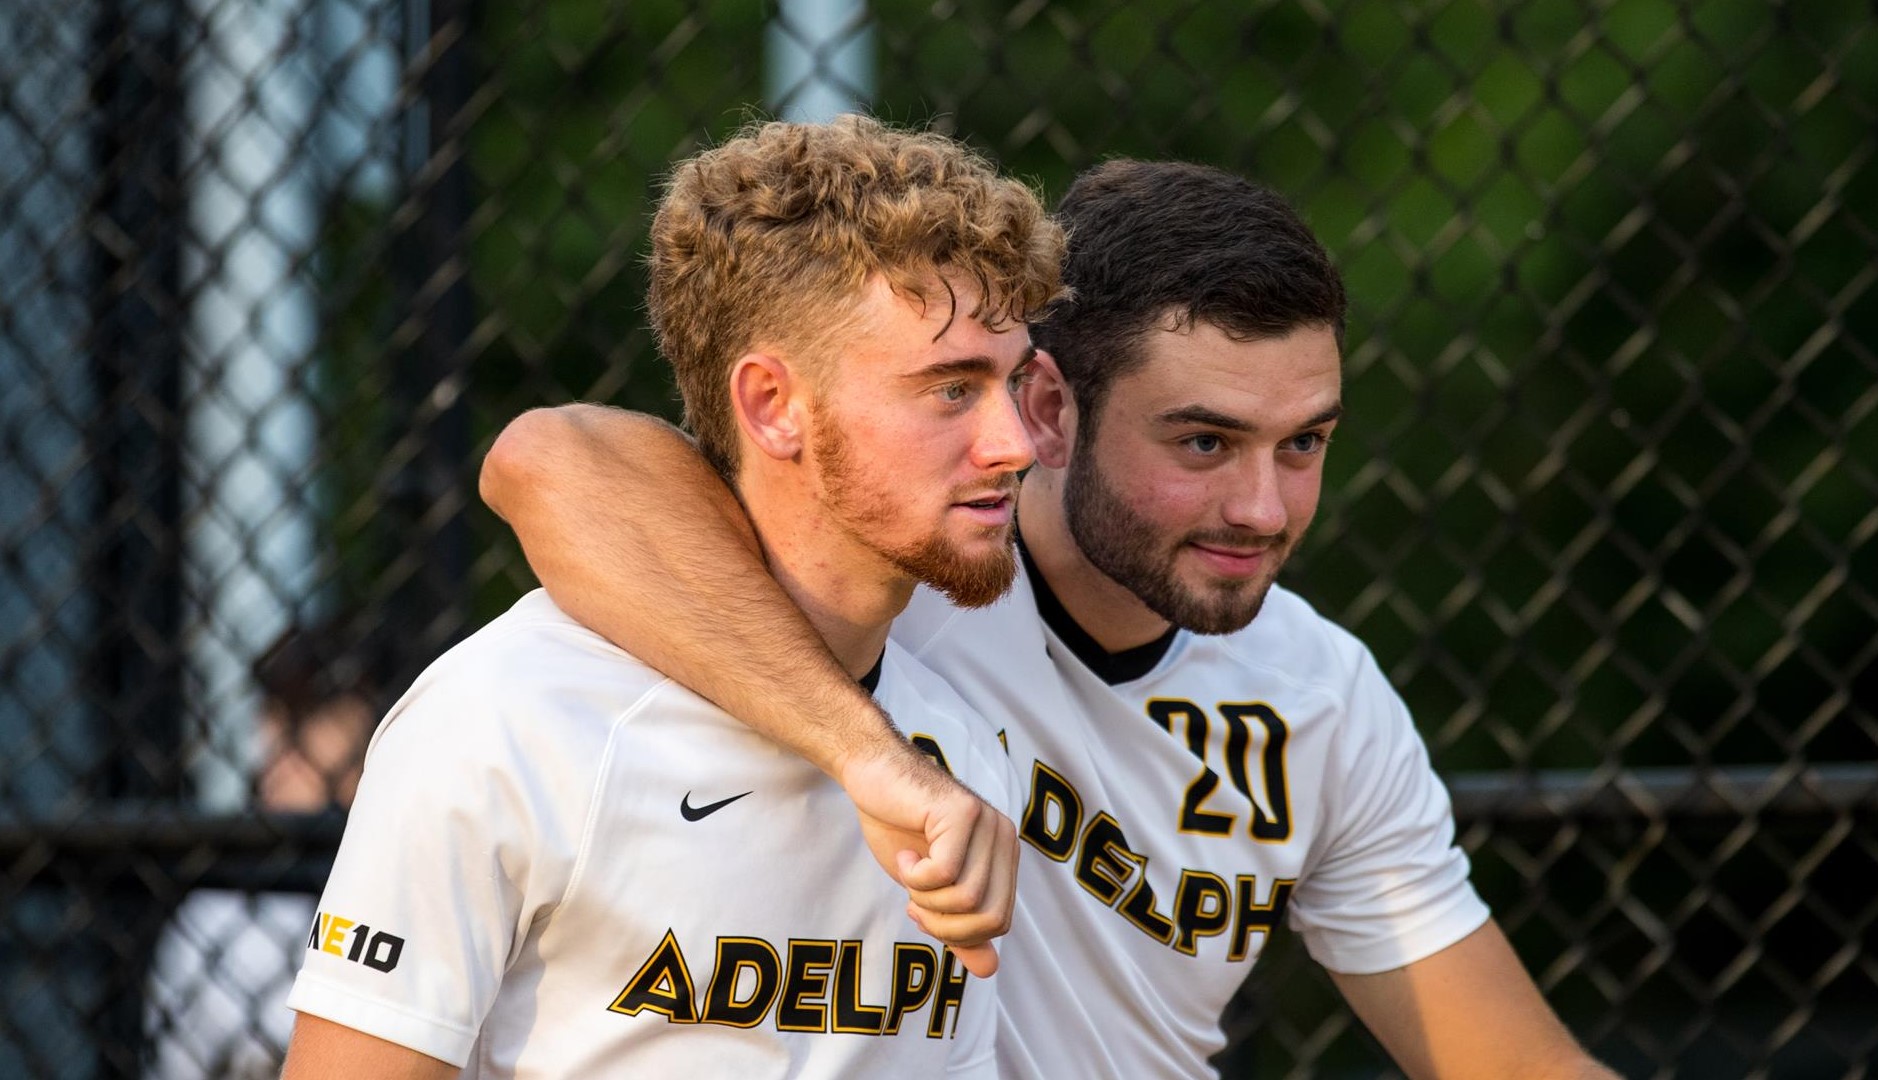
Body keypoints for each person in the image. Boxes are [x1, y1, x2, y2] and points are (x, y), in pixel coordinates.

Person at [480, 159, 1622, 1078]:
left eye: (1305, 443)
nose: (1264, 509)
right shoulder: (896, 580)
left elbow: (1516, 1064)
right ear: (1050, 408)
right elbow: (552, 458)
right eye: (1204, 442)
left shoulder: (1319, 695)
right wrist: (873, 755)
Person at [281, 115, 1064, 1078]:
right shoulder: (510, 717)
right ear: (772, 405)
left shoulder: (961, 746)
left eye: (1010, 382)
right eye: (950, 389)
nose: (1013, 444)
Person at [144, 618, 385, 1080]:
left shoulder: (416, 889)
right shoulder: (218, 913)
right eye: (274, 712)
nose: (280, 740)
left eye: (312, 714)